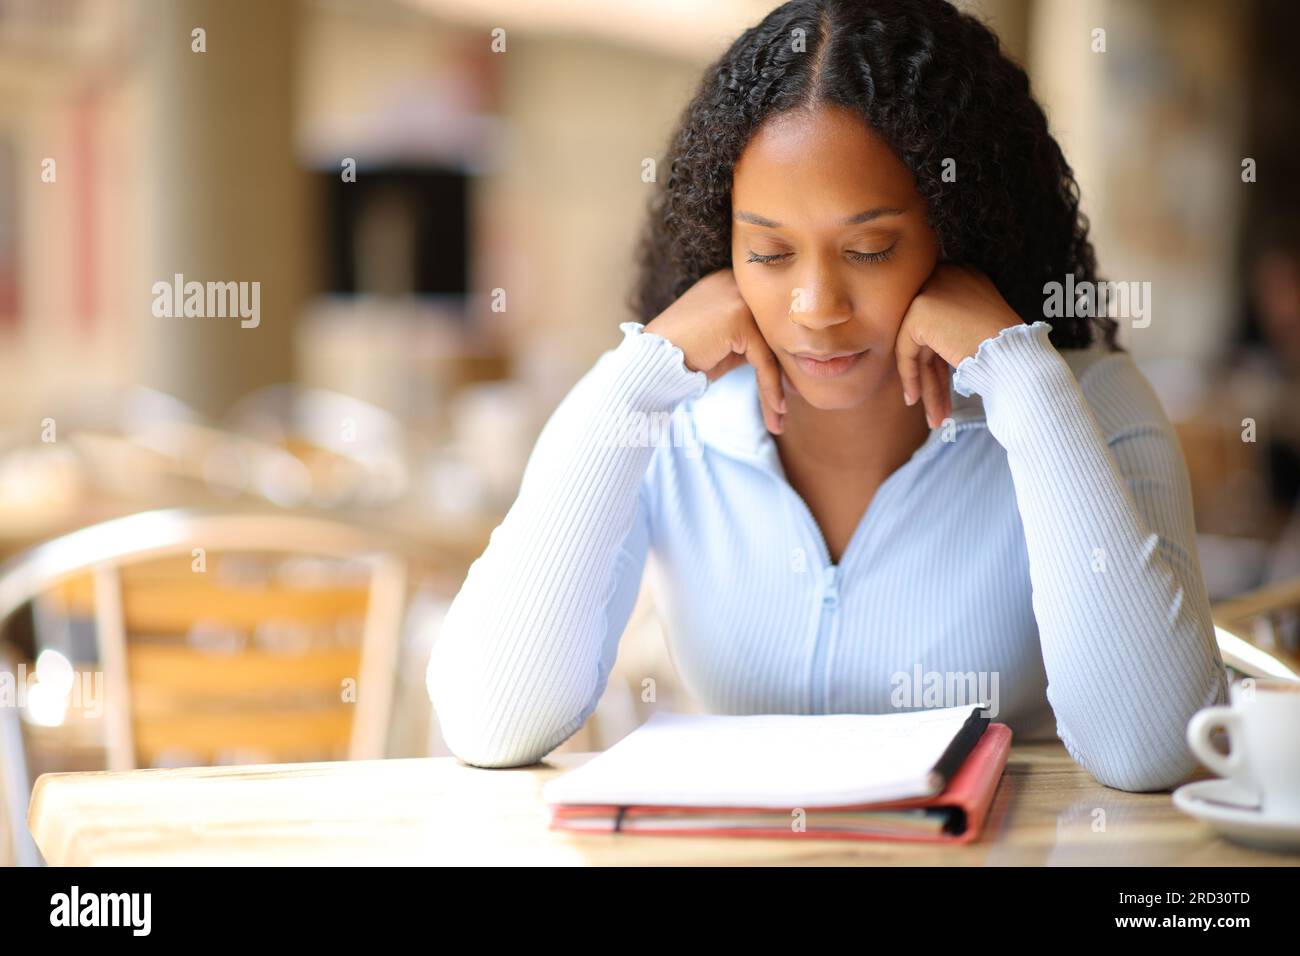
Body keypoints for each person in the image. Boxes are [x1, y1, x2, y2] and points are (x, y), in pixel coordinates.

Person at [427, 0, 1228, 791]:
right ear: (721, 250)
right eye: (770, 253)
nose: (817, 307)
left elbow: (1152, 748)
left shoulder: (1089, 405)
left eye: (870, 249)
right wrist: (637, 384)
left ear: (961, 234)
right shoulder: (674, 417)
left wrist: (1023, 379)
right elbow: (490, 723)